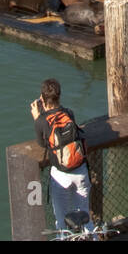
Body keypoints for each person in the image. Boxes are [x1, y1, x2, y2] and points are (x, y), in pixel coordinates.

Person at [31, 78, 94, 234]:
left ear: (42, 99)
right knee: (84, 214)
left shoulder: (41, 121)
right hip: (81, 171)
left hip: (61, 175)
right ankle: (91, 236)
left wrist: (38, 117)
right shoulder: (69, 113)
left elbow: (43, 144)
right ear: (59, 96)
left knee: (62, 220)